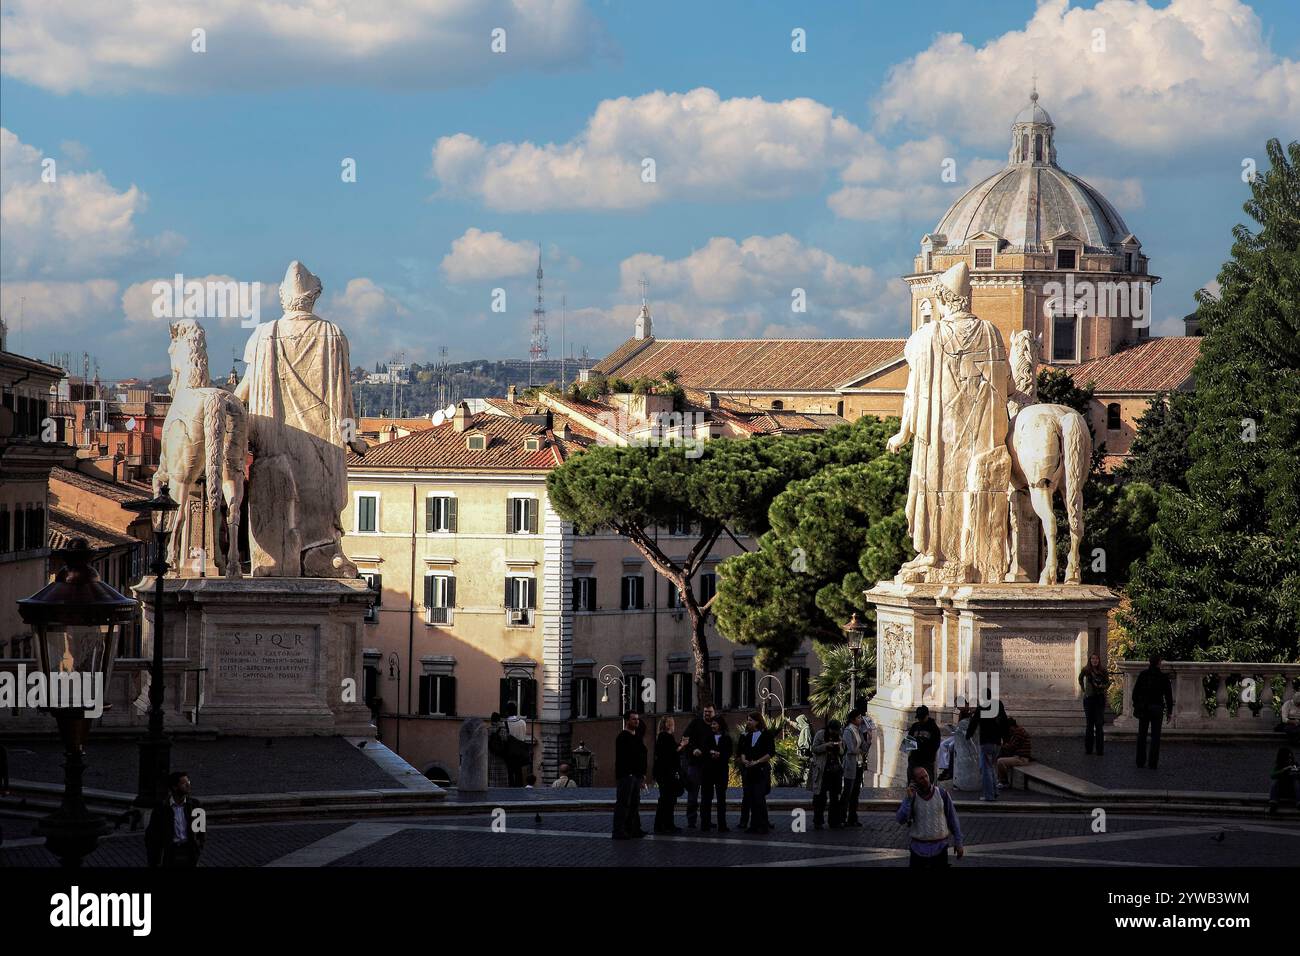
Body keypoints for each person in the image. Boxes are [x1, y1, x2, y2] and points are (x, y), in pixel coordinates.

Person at [895, 766, 964, 868]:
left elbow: (953, 819)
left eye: (926, 776)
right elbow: (901, 819)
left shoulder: (942, 794)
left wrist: (958, 842)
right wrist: (909, 800)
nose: (925, 780)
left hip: (940, 849)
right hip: (918, 851)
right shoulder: (911, 798)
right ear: (914, 782)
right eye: (921, 778)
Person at [145, 771, 205, 867]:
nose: (188, 785)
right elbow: (152, 836)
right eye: (184, 783)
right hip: (170, 853)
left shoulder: (196, 805)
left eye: (188, 782)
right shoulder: (161, 809)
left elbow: (201, 830)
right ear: (174, 787)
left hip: (189, 852)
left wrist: (198, 846)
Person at [1132, 655, 1173, 769]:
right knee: (1155, 737)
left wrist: (1137, 705)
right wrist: (1169, 711)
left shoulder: (1143, 675)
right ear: (1159, 663)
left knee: (1142, 735)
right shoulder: (1163, 677)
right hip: (1157, 708)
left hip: (1144, 707)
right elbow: (1168, 696)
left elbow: (1135, 693)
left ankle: (1140, 761)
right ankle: (1153, 762)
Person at [737, 712, 775, 834]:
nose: (748, 722)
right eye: (748, 720)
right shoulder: (748, 736)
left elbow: (770, 752)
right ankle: (753, 825)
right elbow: (742, 751)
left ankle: (763, 825)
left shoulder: (767, 735)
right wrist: (745, 761)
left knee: (759, 797)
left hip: (761, 771)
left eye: (751, 720)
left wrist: (757, 762)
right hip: (750, 771)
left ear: (757, 721)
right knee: (752, 798)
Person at [612, 712, 648, 839]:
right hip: (627, 775)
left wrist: (642, 775)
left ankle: (633, 829)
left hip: (637, 775)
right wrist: (630, 773)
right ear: (627, 721)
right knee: (623, 804)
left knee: (634, 804)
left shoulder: (637, 736)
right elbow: (624, 758)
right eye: (634, 719)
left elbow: (642, 755)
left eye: (637, 719)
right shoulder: (622, 737)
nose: (637, 721)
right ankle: (619, 831)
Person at [679, 704, 716, 828]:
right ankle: (691, 821)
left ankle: (706, 820)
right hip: (694, 764)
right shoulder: (695, 723)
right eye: (705, 711)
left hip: (709, 766)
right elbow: (684, 738)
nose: (707, 714)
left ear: (714, 712)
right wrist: (693, 749)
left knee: (707, 796)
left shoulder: (716, 725)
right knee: (693, 795)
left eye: (709, 712)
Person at [966, 698, 1009, 801]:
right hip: (997, 742)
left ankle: (989, 796)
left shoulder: (982, 708)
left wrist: (968, 735)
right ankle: (994, 792)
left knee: (986, 769)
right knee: (992, 767)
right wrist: (1006, 738)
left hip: (986, 742)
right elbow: (1005, 722)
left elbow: (974, 722)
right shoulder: (998, 706)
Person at [809, 718, 844, 830]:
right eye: (834, 730)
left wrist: (838, 747)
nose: (835, 733)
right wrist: (826, 745)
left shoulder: (839, 736)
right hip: (823, 770)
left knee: (835, 797)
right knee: (820, 797)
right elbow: (814, 749)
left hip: (835, 770)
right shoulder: (820, 734)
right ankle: (818, 821)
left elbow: (843, 752)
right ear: (829, 729)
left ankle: (834, 821)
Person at [700, 716, 732, 832]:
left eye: (714, 724)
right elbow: (704, 750)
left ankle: (722, 825)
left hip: (721, 771)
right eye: (712, 724)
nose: (712, 726)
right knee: (706, 799)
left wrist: (720, 754)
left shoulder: (727, 738)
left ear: (720, 725)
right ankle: (705, 824)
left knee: (721, 799)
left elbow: (729, 753)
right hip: (708, 771)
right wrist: (711, 752)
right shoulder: (707, 737)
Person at [653, 716, 684, 834]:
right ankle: (662, 826)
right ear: (667, 725)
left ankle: (667, 824)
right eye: (672, 723)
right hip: (665, 773)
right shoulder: (664, 737)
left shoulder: (664, 737)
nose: (673, 724)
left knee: (669, 800)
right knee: (666, 800)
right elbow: (672, 752)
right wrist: (682, 745)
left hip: (665, 773)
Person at [1079, 653, 1111, 756]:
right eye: (1093, 658)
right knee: (1089, 725)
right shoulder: (1086, 670)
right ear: (1090, 660)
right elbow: (1080, 679)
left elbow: (1108, 683)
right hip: (1089, 699)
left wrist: (1102, 687)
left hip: (1099, 699)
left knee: (1099, 724)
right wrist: (1084, 690)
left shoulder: (1103, 671)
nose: (1094, 660)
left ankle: (1099, 749)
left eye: (1096, 658)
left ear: (1099, 660)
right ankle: (1088, 749)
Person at [907, 705, 942, 783]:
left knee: (926, 783)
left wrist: (923, 747)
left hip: (927, 762)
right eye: (919, 718)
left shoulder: (933, 728)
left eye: (922, 717)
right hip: (914, 760)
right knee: (912, 783)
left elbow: (936, 745)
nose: (920, 720)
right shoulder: (915, 726)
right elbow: (908, 743)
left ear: (927, 715)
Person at [950, 706, 982, 791]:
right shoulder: (966, 718)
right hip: (967, 745)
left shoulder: (970, 720)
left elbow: (968, 732)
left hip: (968, 744)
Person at [996, 718, 1032, 787]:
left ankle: (1004, 782)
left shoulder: (1018, 733)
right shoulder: (1018, 731)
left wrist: (1002, 744)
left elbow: (1012, 747)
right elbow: (1012, 746)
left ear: (1011, 726)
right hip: (1019, 757)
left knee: (1000, 761)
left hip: (1021, 759)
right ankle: (1000, 779)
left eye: (1008, 728)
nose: (1008, 730)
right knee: (1001, 757)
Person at [503, 702, 530, 787]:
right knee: (519, 772)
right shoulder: (522, 723)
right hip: (520, 751)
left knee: (510, 772)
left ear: (507, 711)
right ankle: (519, 788)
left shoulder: (505, 723)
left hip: (510, 752)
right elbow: (523, 736)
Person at [1267, 747, 1300, 814]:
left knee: (1296, 781)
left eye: (1291, 757)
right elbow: (1272, 775)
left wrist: (1296, 772)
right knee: (1275, 780)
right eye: (1288, 757)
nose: (1290, 759)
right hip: (1282, 791)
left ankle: (1299, 802)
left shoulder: (1294, 764)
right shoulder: (1279, 765)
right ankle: (1273, 803)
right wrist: (1284, 770)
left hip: (1293, 791)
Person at [795, 713, 814, 786]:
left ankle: (806, 780)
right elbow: (797, 726)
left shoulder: (806, 729)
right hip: (803, 750)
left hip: (805, 751)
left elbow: (808, 740)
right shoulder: (804, 728)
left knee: (805, 766)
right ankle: (804, 779)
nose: (798, 723)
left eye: (799, 722)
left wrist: (804, 749)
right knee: (804, 766)